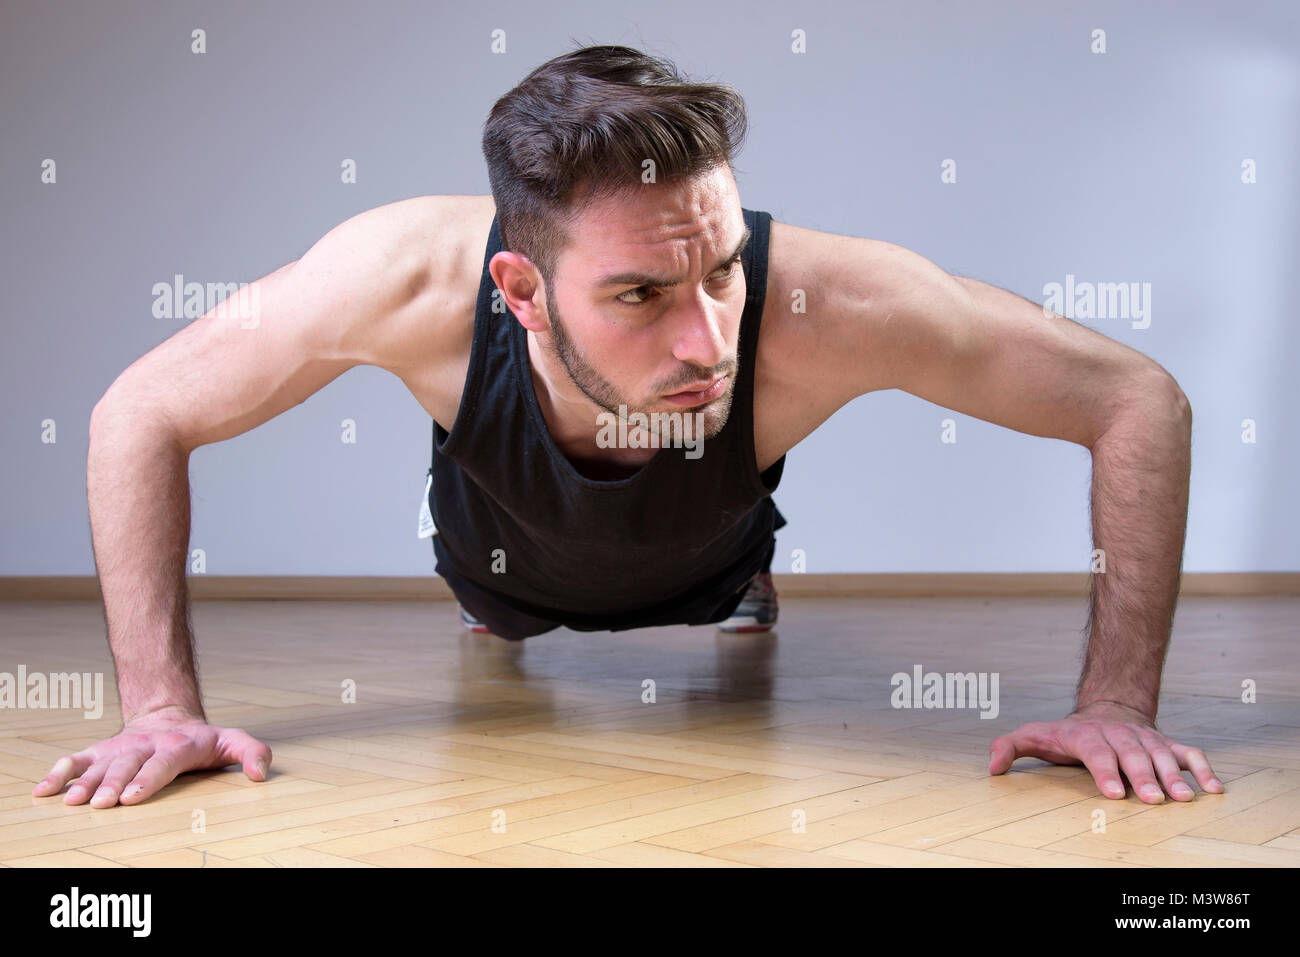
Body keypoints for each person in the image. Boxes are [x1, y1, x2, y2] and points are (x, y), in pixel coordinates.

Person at [32, 44, 1223, 812]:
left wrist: (1114, 704)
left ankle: (740, 581)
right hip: (497, 560)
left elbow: (1135, 400)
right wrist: (159, 709)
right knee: (498, 593)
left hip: (710, 556)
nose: (708, 336)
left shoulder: (838, 301)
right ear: (518, 290)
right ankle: (499, 588)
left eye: (718, 269)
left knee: (722, 565)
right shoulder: (391, 279)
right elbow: (140, 409)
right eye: (642, 295)